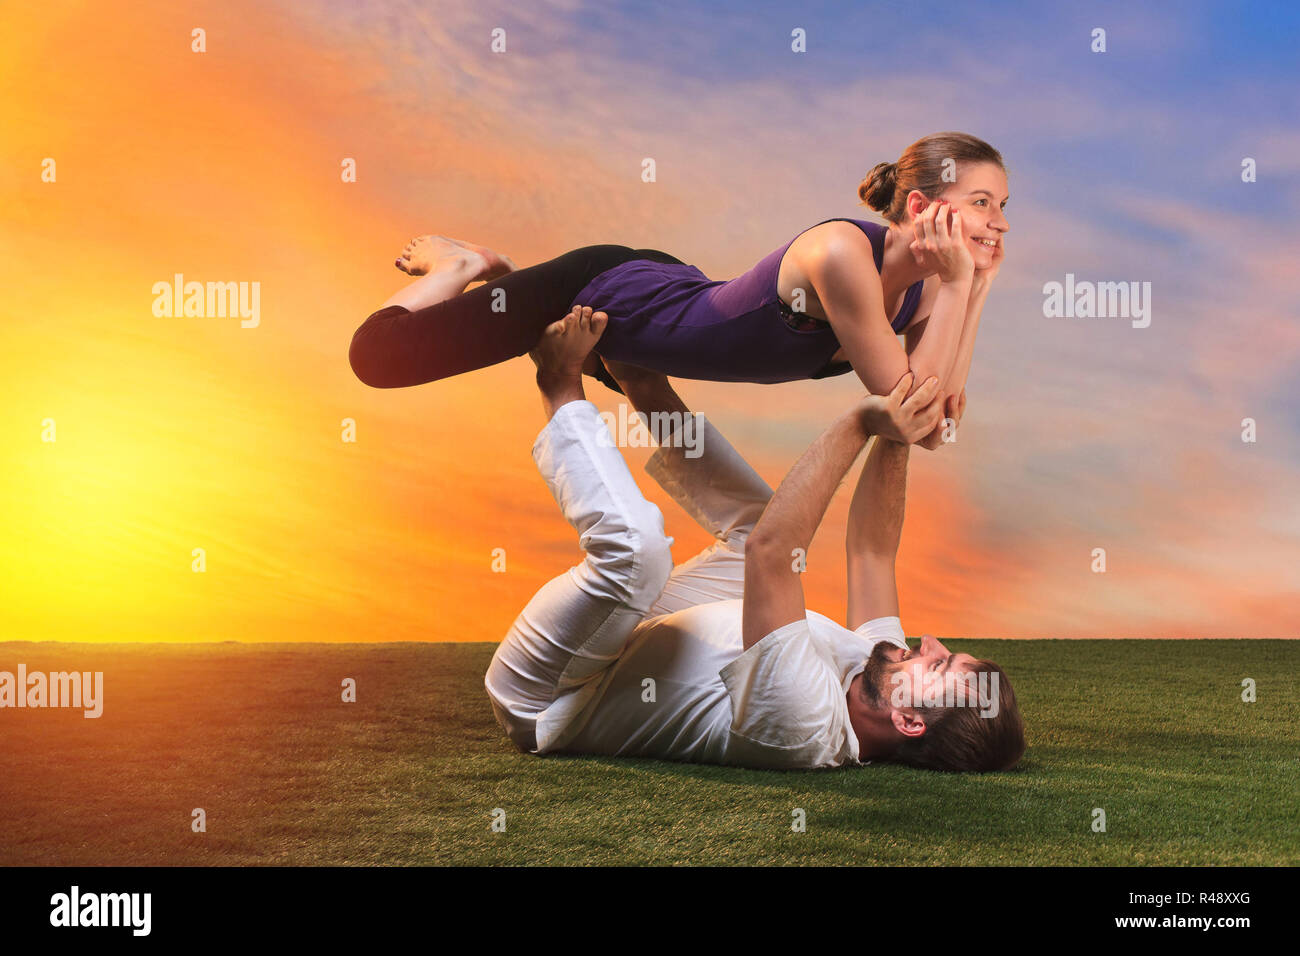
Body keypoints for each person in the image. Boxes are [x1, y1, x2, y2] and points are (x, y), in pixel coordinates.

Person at [485, 303, 1025, 773]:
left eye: (936, 665)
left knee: (638, 551)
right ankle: (641, 382)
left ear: (908, 720)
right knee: (754, 524)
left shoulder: (803, 724)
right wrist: (903, 432)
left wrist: (862, 421)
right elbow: (872, 552)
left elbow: (771, 555)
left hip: (554, 693)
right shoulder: (877, 665)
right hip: (638, 638)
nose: (928, 644)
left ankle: (558, 383)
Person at [349, 132, 1008, 447]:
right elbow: (908, 406)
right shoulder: (842, 252)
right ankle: (457, 267)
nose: (1000, 223)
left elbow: (932, 427)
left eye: (1004, 205)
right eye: (982, 203)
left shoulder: (928, 297)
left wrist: (973, 290)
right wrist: (959, 286)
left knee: (660, 415)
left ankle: (501, 279)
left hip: (670, 302)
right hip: (607, 291)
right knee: (378, 358)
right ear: (922, 207)